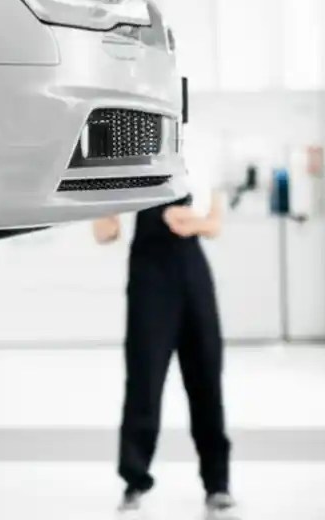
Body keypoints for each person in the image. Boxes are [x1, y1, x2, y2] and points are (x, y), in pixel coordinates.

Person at [94, 188, 236, 518]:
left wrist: (192, 223)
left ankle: (218, 484)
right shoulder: (132, 167)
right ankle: (134, 479)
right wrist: (104, 213)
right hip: (149, 278)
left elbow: (215, 224)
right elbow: (104, 232)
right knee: (144, 378)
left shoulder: (200, 160)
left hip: (194, 276)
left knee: (207, 378)